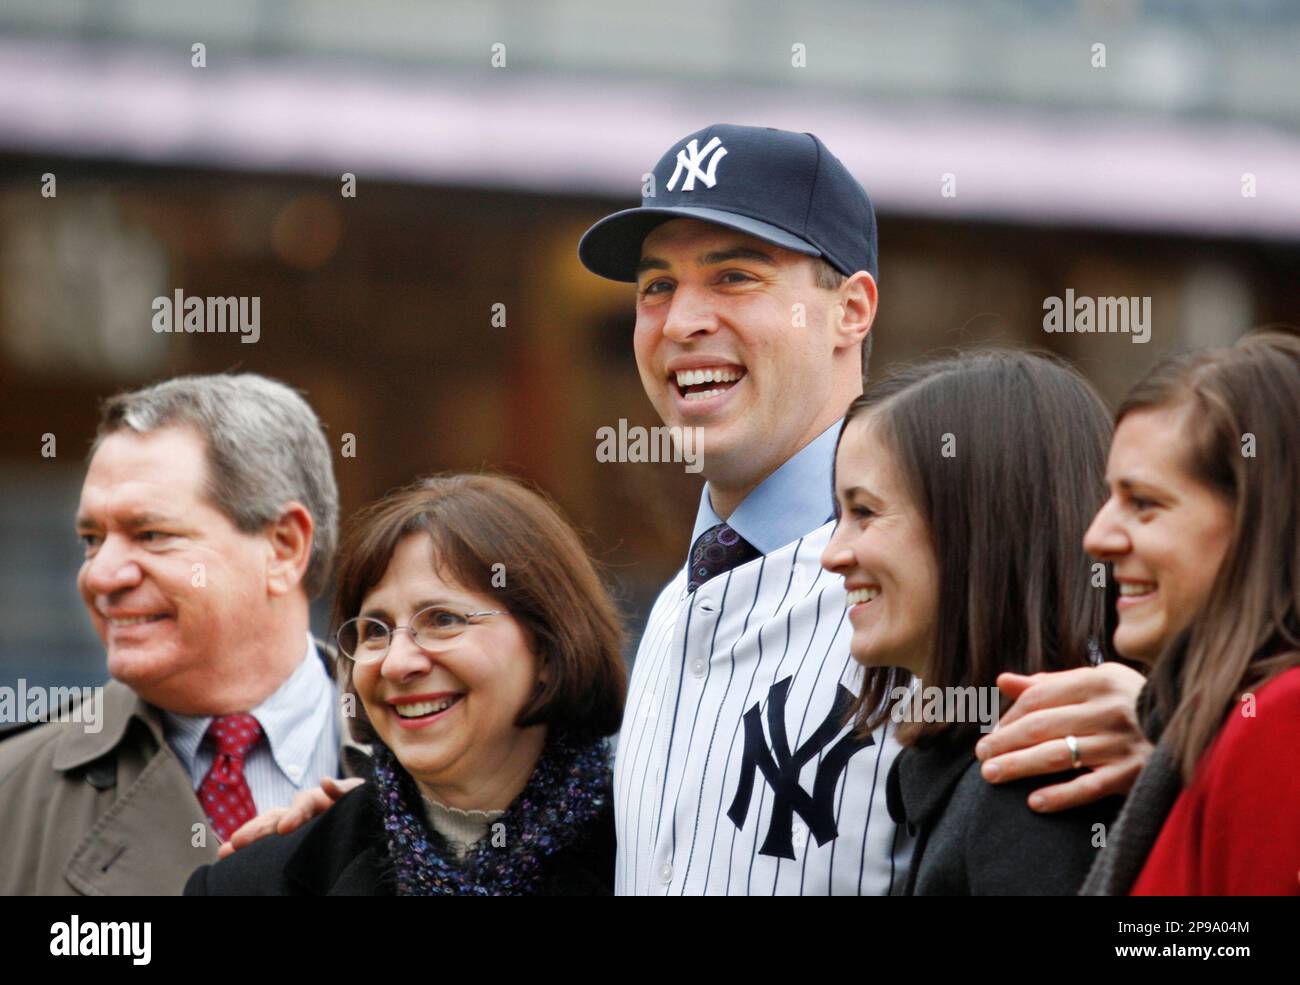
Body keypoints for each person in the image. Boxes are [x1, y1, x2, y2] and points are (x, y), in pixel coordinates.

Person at [226, 123, 1153, 895]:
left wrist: (1166, 732)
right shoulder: (675, 603)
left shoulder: (943, 582)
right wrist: (371, 820)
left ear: (852, 308)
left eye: (735, 276)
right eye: (657, 285)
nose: (680, 321)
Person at [0, 373, 361, 895]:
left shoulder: (454, 776)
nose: (101, 576)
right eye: (91, 539)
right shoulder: (15, 794)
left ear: (283, 547)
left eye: (151, 535)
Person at [185, 473, 626, 895]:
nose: (397, 664)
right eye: (375, 629)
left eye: (443, 620)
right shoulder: (251, 885)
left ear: (547, 650)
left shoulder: (659, 856)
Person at [822, 350, 1126, 894]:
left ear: (980, 528)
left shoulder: (1035, 790)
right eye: (838, 515)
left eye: (864, 512)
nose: (833, 553)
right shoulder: (985, 772)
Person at [1080, 331, 1300, 895]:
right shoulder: (1222, 724)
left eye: (1144, 503)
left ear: (1257, 520)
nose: (1097, 536)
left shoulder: (1280, 718)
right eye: (1109, 498)